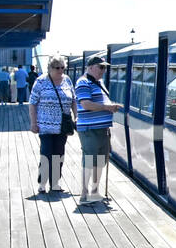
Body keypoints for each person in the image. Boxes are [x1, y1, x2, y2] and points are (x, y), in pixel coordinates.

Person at [75, 55, 119, 207]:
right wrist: (107, 108)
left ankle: (94, 192)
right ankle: (84, 194)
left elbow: (99, 102)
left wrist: (110, 106)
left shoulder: (99, 83)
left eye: (105, 67)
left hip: (102, 129)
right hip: (89, 129)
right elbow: (86, 104)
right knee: (89, 160)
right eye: (101, 67)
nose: (103, 70)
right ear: (90, 67)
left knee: (100, 161)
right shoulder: (83, 82)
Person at [29, 56, 77, 194]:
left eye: (63, 67)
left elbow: (73, 100)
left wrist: (76, 116)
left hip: (62, 126)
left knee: (59, 154)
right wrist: (33, 123)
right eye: (57, 68)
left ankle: (55, 183)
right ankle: (42, 183)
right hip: (45, 126)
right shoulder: (41, 81)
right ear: (50, 68)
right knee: (46, 153)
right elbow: (32, 103)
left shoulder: (67, 80)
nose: (60, 70)